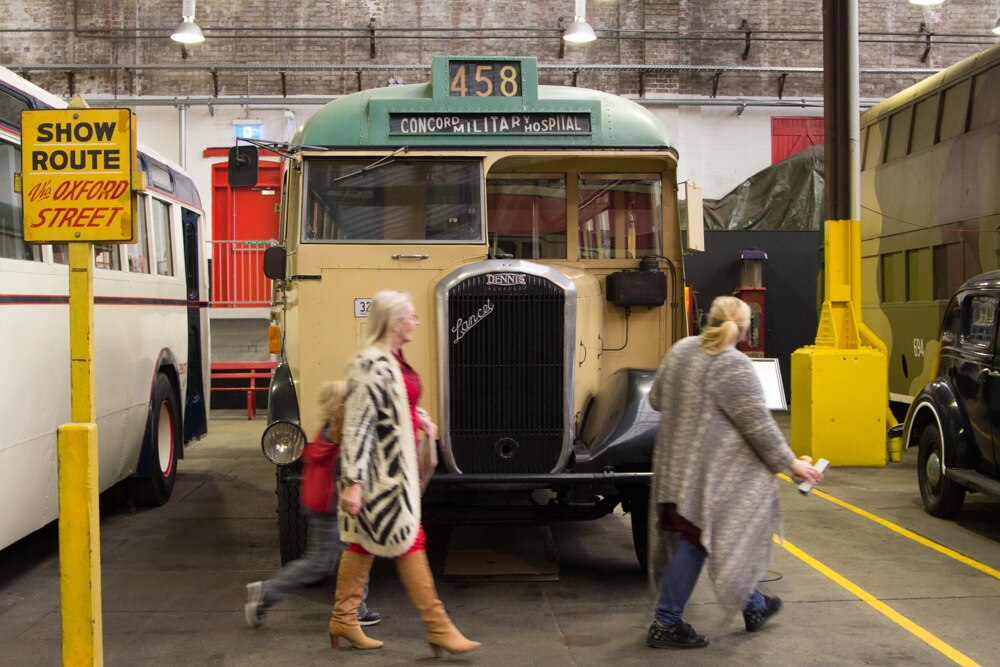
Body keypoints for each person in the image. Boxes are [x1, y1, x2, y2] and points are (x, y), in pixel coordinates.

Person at [645, 295, 823, 649]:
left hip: (676, 471)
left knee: (716, 539)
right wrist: (793, 464)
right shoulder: (733, 364)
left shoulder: (681, 350)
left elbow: (656, 400)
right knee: (698, 541)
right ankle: (666, 622)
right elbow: (759, 427)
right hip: (708, 479)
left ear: (706, 319)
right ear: (744, 331)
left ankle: (754, 605)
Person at [328, 289, 480, 657]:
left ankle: (344, 618)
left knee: (362, 543)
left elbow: (394, 408)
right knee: (410, 539)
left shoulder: (392, 358)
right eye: (410, 316)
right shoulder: (370, 365)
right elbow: (358, 428)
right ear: (395, 323)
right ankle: (437, 627)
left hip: (395, 472)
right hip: (381, 477)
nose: (415, 321)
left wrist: (419, 420)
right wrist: (354, 483)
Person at [244, 381, 380, 628]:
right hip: (330, 508)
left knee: (347, 554)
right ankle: (267, 592)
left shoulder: (328, 430)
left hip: (323, 504)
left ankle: (356, 607)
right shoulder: (340, 437)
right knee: (327, 561)